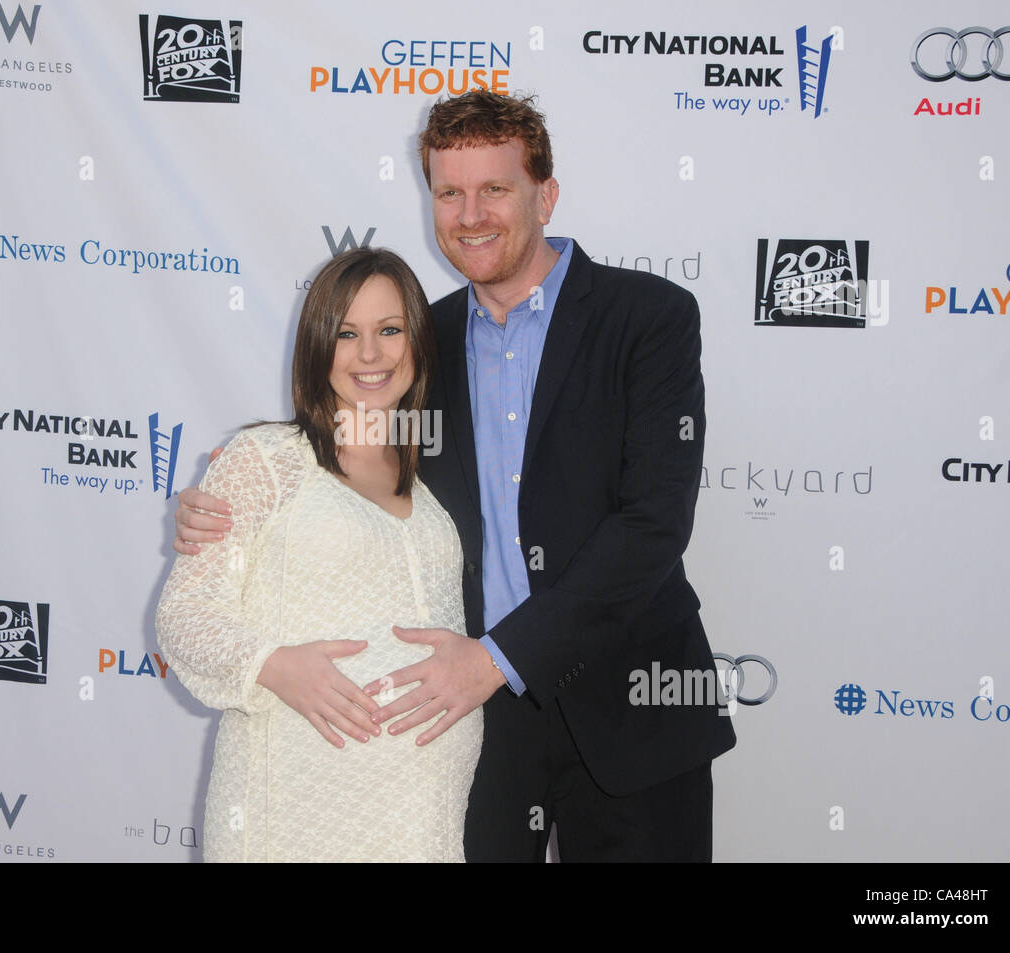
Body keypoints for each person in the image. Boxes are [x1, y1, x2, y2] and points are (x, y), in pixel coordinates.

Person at [175, 91, 735, 862]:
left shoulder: (649, 318)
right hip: (473, 727)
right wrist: (220, 505)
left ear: (546, 195)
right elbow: (338, 455)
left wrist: (496, 658)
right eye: (449, 193)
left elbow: (653, 524)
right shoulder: (416, 341)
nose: (471, 214)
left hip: (630, 702)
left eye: (495, 189)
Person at [155, 247, 480, 862]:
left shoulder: (431, 479)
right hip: (295, 815)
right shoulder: (265, 460)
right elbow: (186, 613)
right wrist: (272, 664)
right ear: (316, 345)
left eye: (390, 330)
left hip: (422, 822)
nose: (369, 355)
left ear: (418, 339)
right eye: (346, 333)